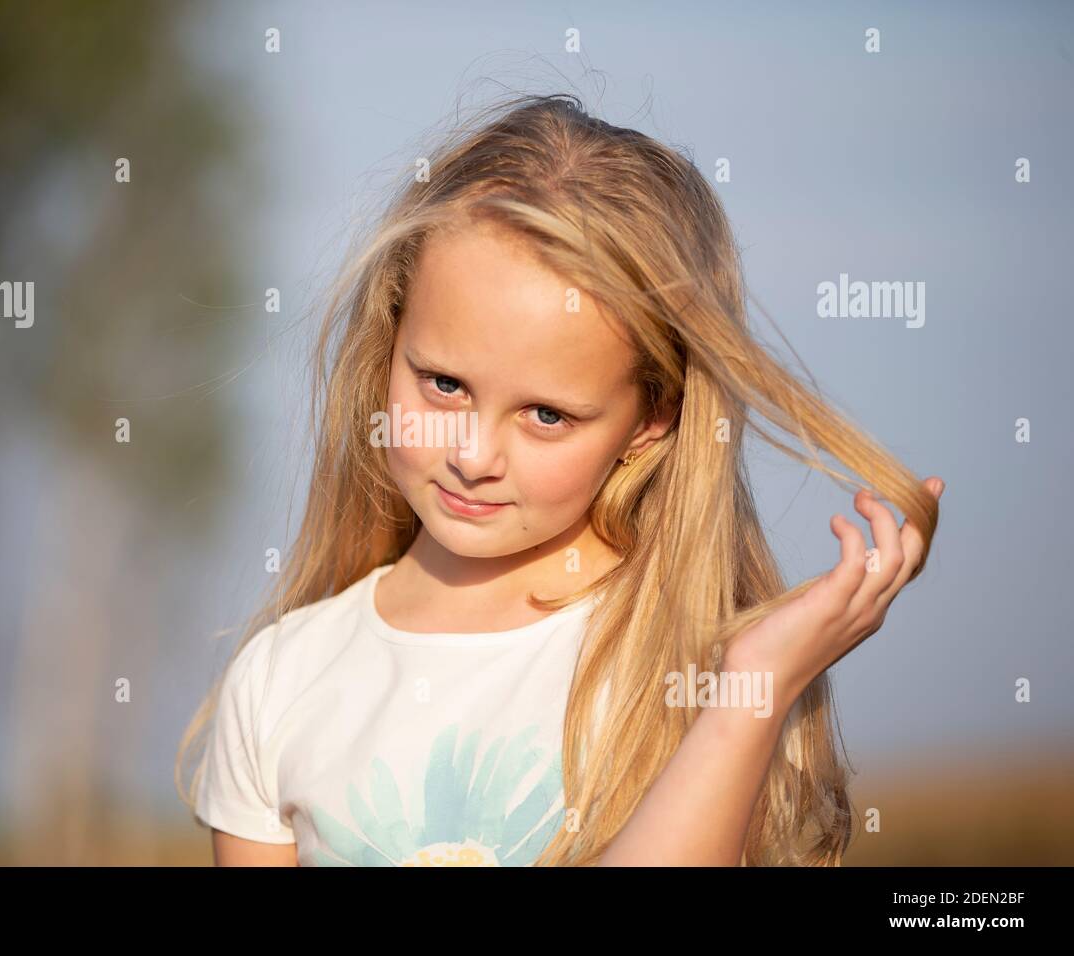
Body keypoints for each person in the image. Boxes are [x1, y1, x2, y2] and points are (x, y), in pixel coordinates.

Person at [176, 93, 944, 866]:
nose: (474, 455)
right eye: (443, 384)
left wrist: (756, 687)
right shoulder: (280, 682)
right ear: (390, 337)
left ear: (653, 417)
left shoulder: (679, 670)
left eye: (546, 414)